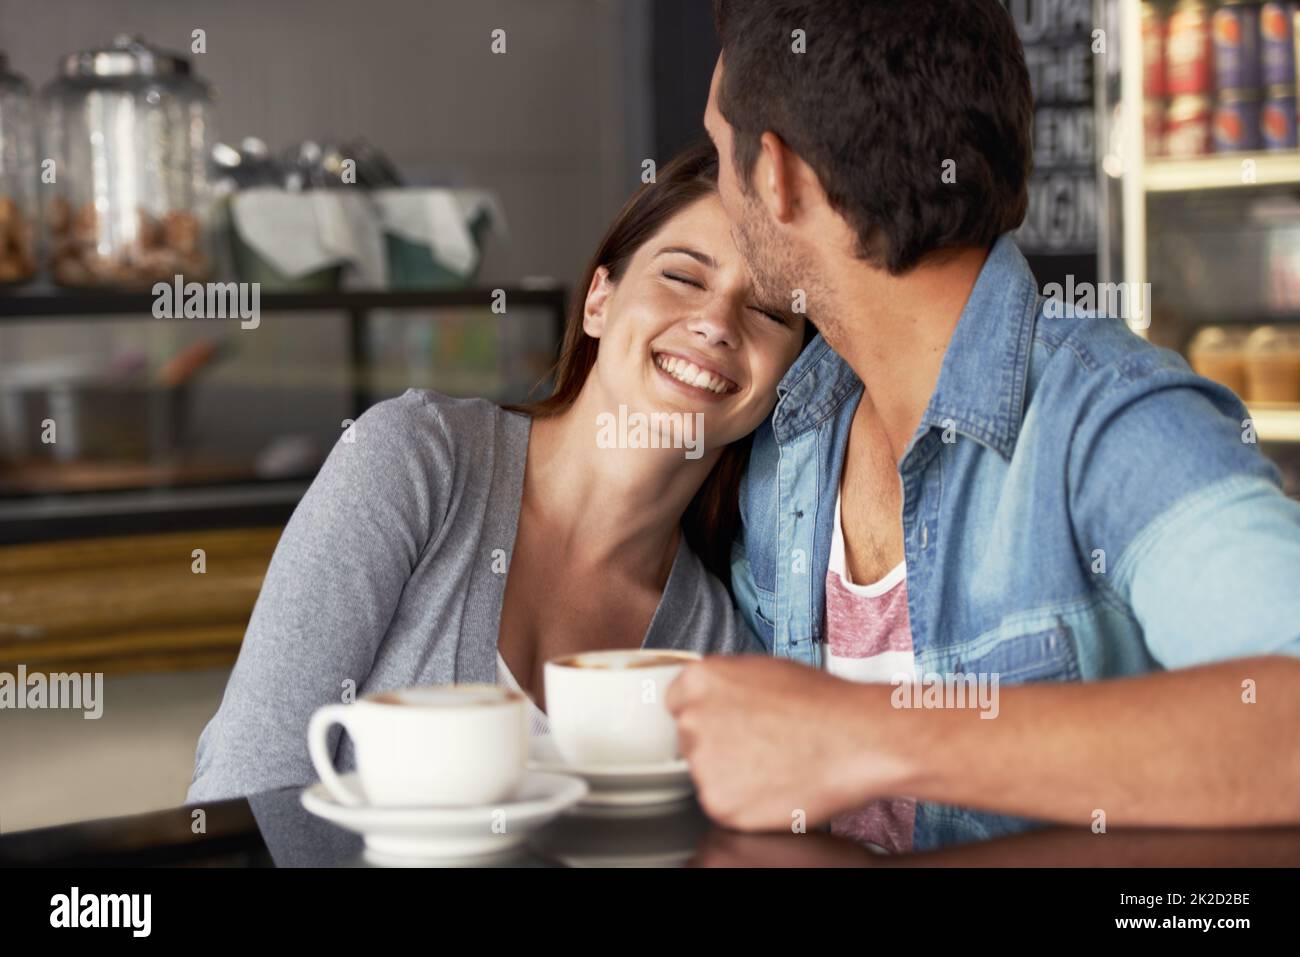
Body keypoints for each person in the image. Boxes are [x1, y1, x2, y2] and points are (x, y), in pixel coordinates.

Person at [667, 0, 1300, 851]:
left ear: (775, 176)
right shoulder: (788, 440)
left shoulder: (1107, 423)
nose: (720, 187)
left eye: (720, 152)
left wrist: (868, 734)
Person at [188, 143, 807, 802]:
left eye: (770, 310)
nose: (715, 323)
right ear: (599, 298)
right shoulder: (417, 461)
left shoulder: (718, 645)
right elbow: (246, 780)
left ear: (791, 374)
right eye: (683, 277)